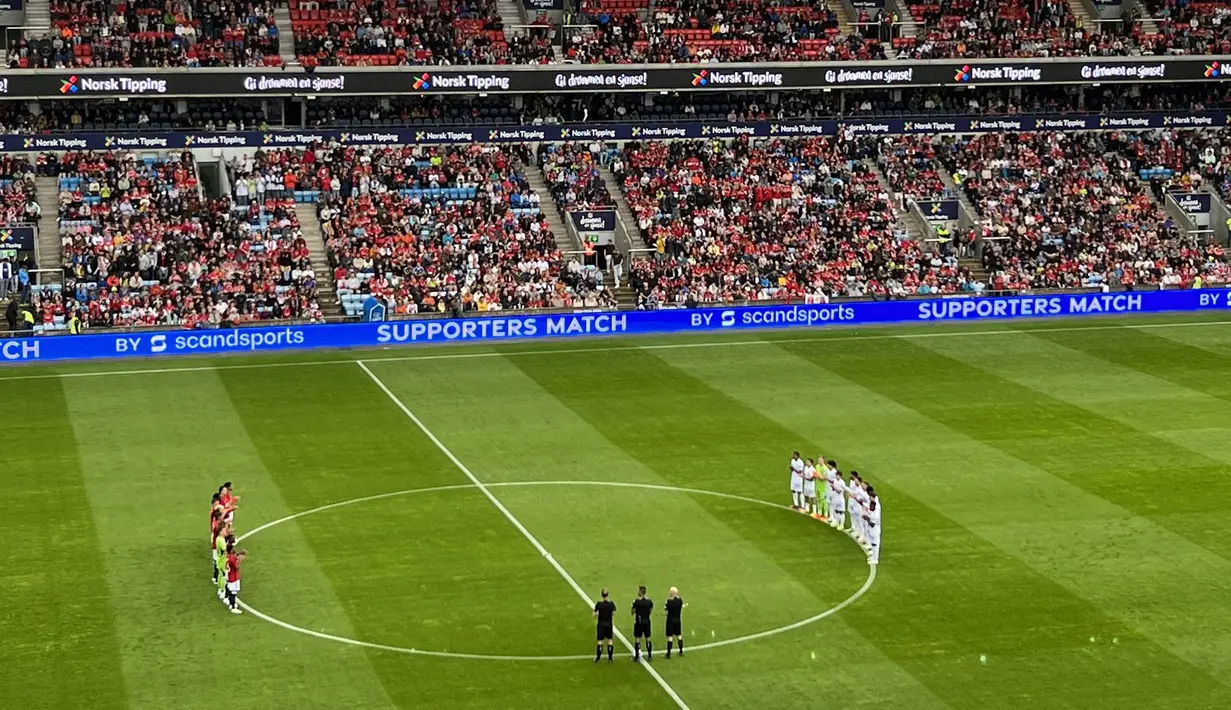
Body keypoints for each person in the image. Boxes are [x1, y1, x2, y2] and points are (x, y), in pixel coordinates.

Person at [631, 586, 653, 662]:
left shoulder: (636, 602)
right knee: (648, 638)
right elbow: (650, 611)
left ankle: (637, 656)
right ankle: (650, 656)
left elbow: (632, 612)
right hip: (647, 621)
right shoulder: (649, 602)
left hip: (639, 622)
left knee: (637, 638)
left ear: (640, 592)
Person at [593, 588, 616, 663]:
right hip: (609, 624)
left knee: (600, 641)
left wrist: (598, 614)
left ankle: (598, 658)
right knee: (609, 641)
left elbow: (594, 615)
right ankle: (610, 659)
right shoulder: (611, 604)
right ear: (608, 595)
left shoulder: (599, 604)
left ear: (601, 595)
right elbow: (613, 614)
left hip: (601, 624)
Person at [224, 543, 246, 614]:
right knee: (233, 592)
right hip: (233, 577)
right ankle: (233, 607)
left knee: (231, 591)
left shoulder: (231, 557)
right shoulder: (233, 559)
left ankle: (231, 604)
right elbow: (236, 567)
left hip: (230, 576)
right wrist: (239, 561)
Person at [664, 587, 684, 658]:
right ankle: (681, 651)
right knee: (679, 635)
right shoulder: (680, 601)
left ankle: (668, 653)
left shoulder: (668, 602)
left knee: (670, 637)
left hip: (670, 621)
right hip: (678, 620)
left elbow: (666, 612)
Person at [826, 461, 846, 529]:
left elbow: (840, 491)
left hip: (840, 498)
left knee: (841, 512)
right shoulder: (835, 480)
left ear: (840, 476)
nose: (837, 477)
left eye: (838, 476)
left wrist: (833, 487)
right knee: (836, 510)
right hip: (835, 497)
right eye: (836, 475)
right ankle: (837, 522)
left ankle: (842, 525)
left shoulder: (842, 482)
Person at [865, 491, 882, 566]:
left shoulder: (876, 510)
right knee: (871, 543)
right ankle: (873, 557)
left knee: (875, 544)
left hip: (875, 528)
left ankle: (875, 559)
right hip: (871, 528)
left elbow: (873, 523)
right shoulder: (872, 508)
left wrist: (867, 518)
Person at [846, 471, 862, 538]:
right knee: (851, 513)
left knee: (857, 517)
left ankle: (858, 531)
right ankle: (853, 527)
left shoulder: (858, 486)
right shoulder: (851, 481)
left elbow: (855, 493)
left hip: (855, 502)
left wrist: (850, 493)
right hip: (851, 500)